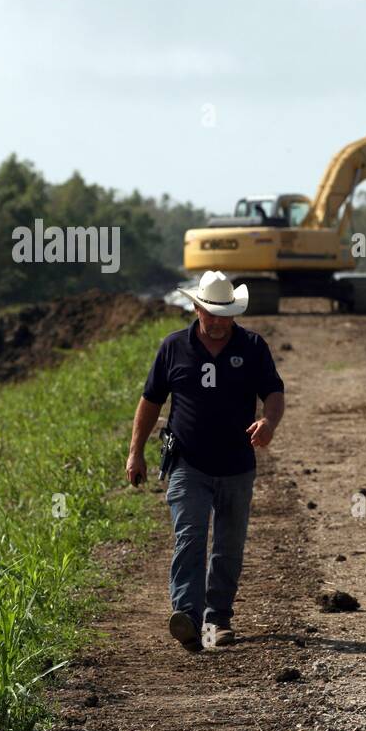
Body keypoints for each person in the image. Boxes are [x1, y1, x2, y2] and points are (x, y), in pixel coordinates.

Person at [126, 271, 285, 652]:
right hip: (188, 463)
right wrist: (135, 452)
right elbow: (150, 402)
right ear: (197, 308)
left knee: (229, 545)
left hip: (236, 465)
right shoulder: (173, 347)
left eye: (224, 314)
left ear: (234, 312)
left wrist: (269, 421)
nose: (217, 322)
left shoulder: (252, 346)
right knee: (190, 537)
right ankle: (187, 616)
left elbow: (274, 392)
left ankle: (218, 618)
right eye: (210, 313)